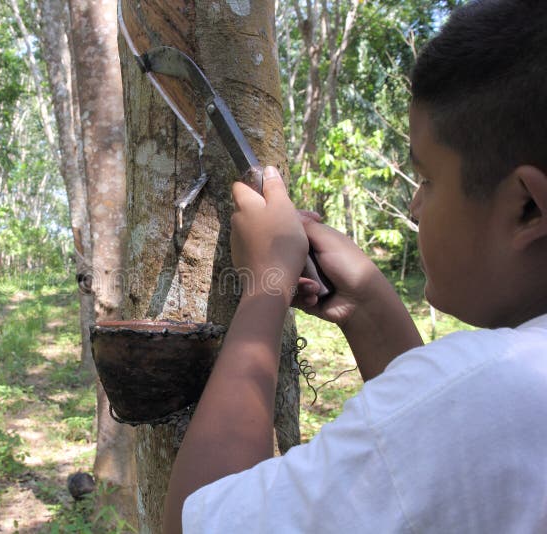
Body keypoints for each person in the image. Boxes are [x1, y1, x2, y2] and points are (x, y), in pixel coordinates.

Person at [163, 0, 547, 532]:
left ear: (528, 206)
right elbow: (433, 441)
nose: (415, 206)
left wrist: (266, 288)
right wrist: (365, 304)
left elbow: (197, 520)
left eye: (428, 179)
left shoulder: (502, 390)